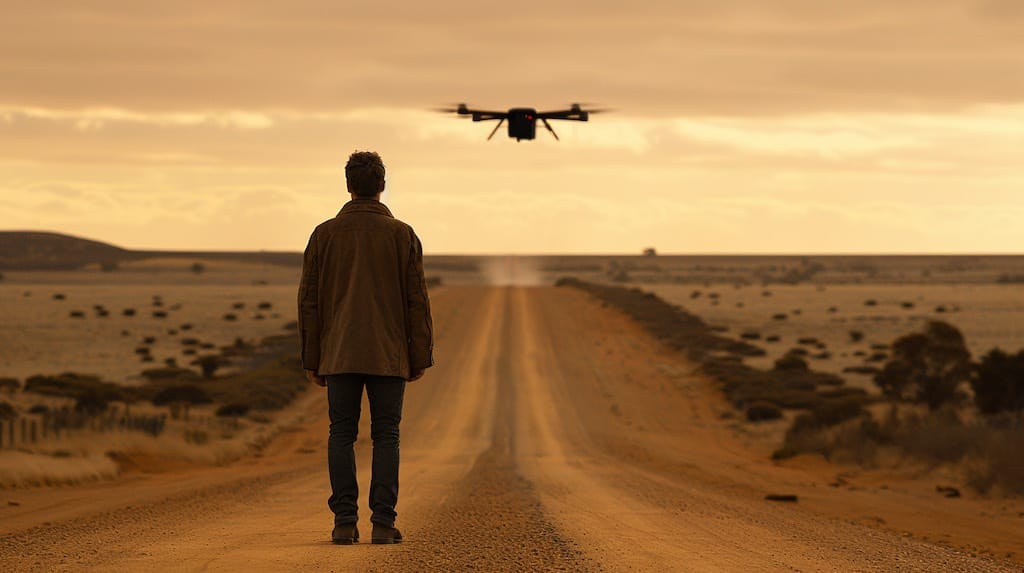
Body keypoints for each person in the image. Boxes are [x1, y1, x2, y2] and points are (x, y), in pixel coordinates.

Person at [298, 150, 434, 545]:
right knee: (386, 435)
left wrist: (312, 358)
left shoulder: (324, 234)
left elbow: (309, 301)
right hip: (389, 356)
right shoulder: (402, 234)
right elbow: (416, 300)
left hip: (337, 354)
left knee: (340, 434)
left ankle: (344, 523)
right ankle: (383, 522)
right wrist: (419, 354)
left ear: (348, 185)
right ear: (382, 186)